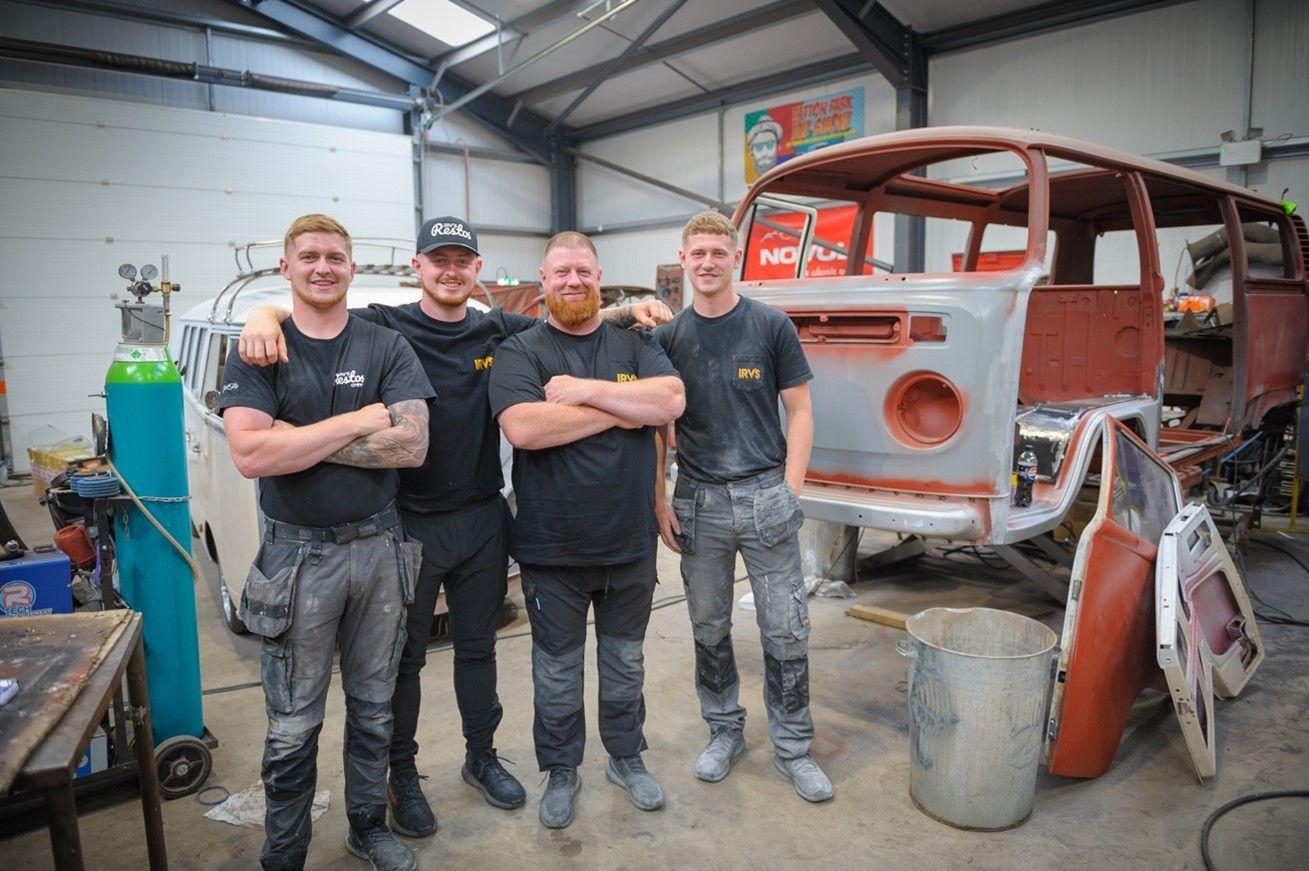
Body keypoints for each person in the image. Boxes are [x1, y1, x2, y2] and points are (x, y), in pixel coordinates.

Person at [237, 217, 672, 839]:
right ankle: (403, 775)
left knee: (478, 649)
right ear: (418, 267)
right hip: (407, 521)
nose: (450, 270)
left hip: (483, 516)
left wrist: (634, 310)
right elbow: (319, 305)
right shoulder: (386, 327)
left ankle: (482, 756)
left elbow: (572, 313)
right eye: (437, 260)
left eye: (461, 261)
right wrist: (265, 315)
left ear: (477, 270)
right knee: (404, 661)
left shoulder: (500, 327)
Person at [219, 214, 434, 871]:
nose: (322, 266)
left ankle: (367, 826)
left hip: (379, 550)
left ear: (351, 266)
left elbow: (412, 444)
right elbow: (251, 452)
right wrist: (352, 422)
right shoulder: (260, 346)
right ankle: (284, 848)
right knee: (292, 723)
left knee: (373, 710)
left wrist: (300, 438)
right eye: (308, 256)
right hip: (296, 559)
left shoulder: (385, 345)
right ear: (285, 267)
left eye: (335, 256)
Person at [488, 232, 685, 830]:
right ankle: (562, 770)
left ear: (599, 276)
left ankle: (626, 758)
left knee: (625, 663)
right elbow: (524, 427)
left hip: (628, 543)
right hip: (553, 549)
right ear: (542, 280)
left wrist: (582, 395)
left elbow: (671, 399)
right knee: (556, 670)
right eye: (561, 273)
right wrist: (625, 405)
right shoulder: (522, 351)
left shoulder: (632, 342)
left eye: (583, 271)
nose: (573, 282)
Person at [652, 210, 832, 803]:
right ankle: (724, 731)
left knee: (785, 626)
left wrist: (792, 489)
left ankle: (793, 749)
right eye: (696, 253)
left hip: (765, 497)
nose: (707, 263)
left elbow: (800, 412)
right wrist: (660, 499)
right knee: (708, 623)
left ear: (736, 259)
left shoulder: (771, 325)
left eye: (718, 253)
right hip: (698, 501)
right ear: (683, 261)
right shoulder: (669, 338)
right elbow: (655, 426)